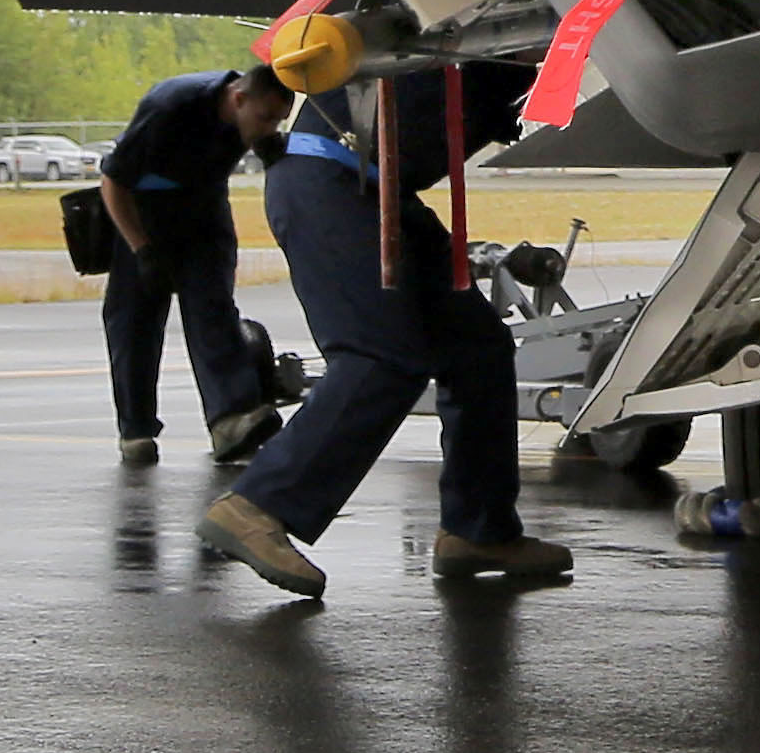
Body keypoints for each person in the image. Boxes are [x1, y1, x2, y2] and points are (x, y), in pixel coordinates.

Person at [201, 36, 572, 601]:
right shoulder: (466, 20)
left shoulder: (516, 38)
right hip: (332, 186)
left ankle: (478, 531)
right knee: (381, 356)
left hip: (382, 193)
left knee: (478, 350)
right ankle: (256, 506)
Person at [94, 58, 294, 470]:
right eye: (265, 118)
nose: (269, 127)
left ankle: (231, 419)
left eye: (278, 120)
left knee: (213, 309)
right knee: (135, 321)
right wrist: (141, 249)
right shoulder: (170, 106)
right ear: (237, 98)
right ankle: (137, 430)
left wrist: (266, 144)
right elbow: (114, 181)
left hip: (204, 208)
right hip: (144, 209)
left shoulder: (246, 116)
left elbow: (250, 137)